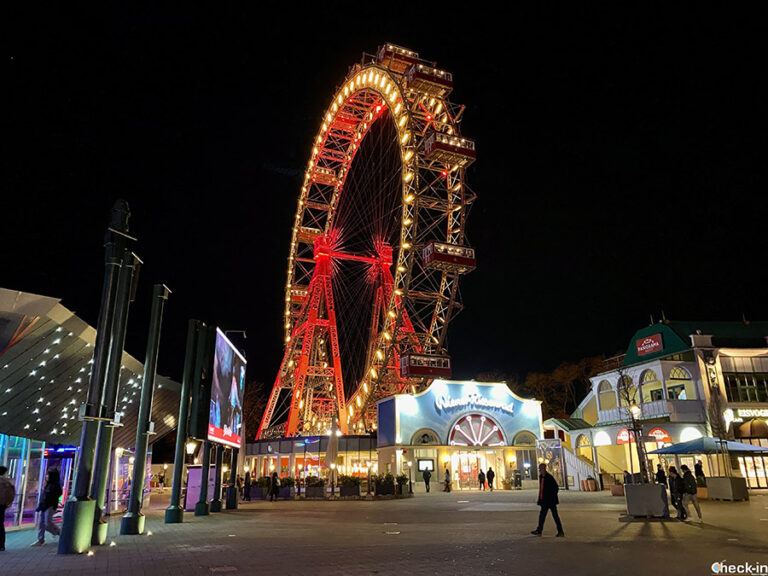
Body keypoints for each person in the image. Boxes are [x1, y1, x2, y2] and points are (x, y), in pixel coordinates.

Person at [531, 463, 564, 537]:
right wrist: (540, 499)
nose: (540, 471)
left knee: (555, 516)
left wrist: (551, 496)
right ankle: (539, 530)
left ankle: (560, 531)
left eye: (541, 469)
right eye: (539, 469)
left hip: (551, 501)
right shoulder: (541, 477)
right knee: (542, 516)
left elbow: (556, 488)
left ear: (544, 469)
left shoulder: (549, 477)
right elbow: (541, 489)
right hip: (544, 501)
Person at [31, 468, 62, 546]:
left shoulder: (55, 486)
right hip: (45, 505)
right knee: (41, 523)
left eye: (48, 475)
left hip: (50, 506)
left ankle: (59, 532)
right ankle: (40, 539)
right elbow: (44, 496)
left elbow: (53, 496)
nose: (46, 476)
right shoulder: (48, 485)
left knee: (47, 523)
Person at [0, 466, 15, 552]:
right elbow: (11, 495)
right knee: (1, 525)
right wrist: (7, 504)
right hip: (2, 506)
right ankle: (1, 545)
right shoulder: (8, 483)